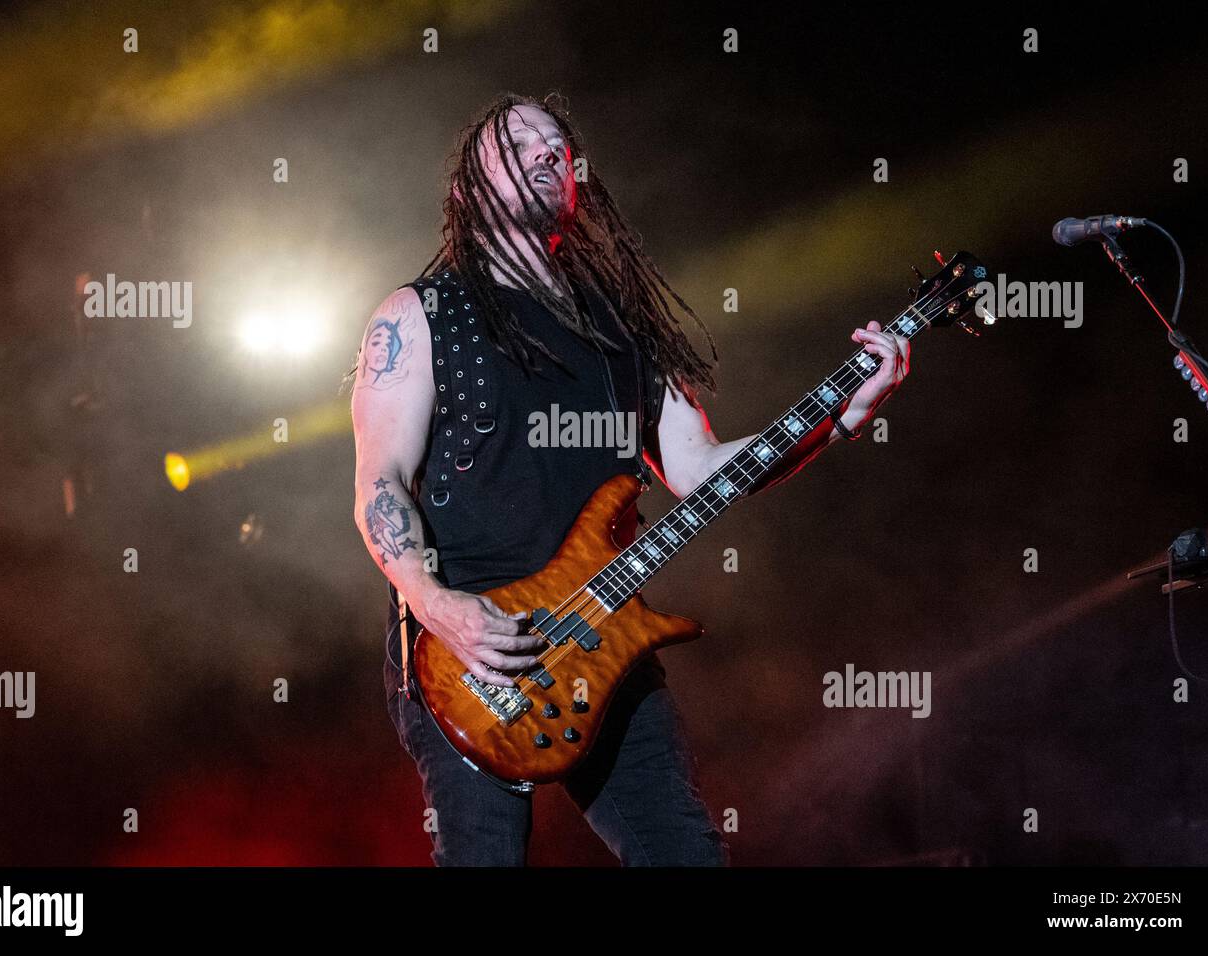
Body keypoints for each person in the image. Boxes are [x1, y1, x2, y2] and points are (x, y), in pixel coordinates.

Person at [349, 92, 910, 865]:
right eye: (521, 142)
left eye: (559, 145)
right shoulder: (419, 315)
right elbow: (381, 484)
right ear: (466, 191)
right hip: (470, 649)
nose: (549, 151)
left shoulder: (622, 325)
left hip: (604, 640)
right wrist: (439, 606)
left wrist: (843, 415)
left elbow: (701, 470)